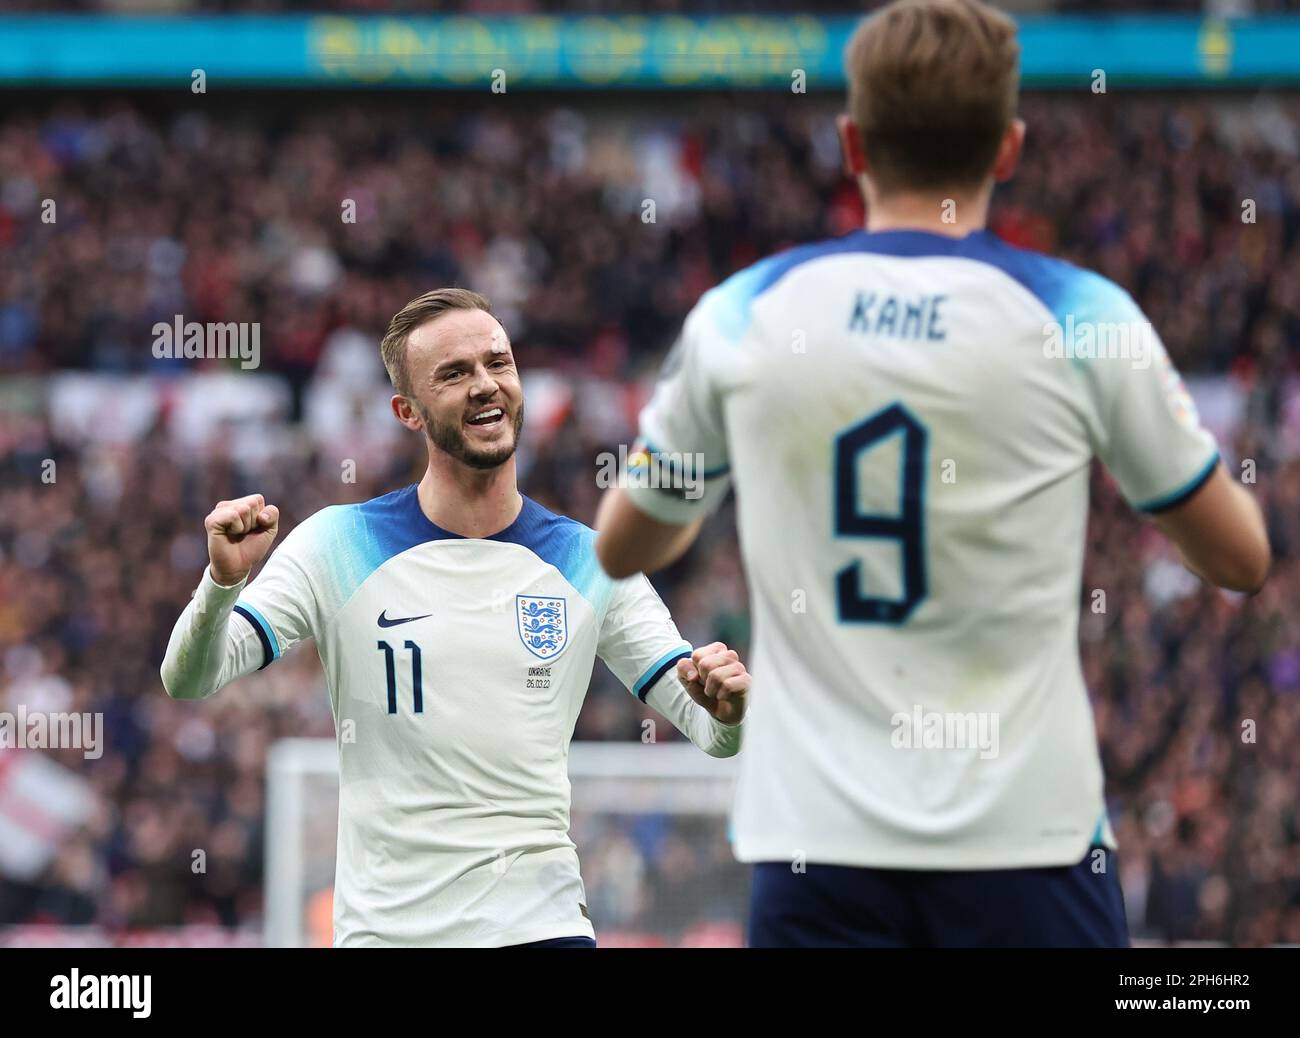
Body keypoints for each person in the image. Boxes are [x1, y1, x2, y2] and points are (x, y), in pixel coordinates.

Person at [593, 0, 1269, 948]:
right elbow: (1241, 557)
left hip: (816, 847)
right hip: (1029, 841)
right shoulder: (1084, 315)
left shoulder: (742, 315)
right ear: (1009, 148)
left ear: (852, 144)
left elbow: (627, 542)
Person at [161, 287, 750, 948]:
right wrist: (222, 583)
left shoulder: (592, 559)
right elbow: (190, 678)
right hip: (391, 936)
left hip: (541, 928)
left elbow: (710, 732)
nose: (484, 385)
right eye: (454, 373)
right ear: (406, 411)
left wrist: (728, 710)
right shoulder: (336, 543)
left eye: (497, 363)